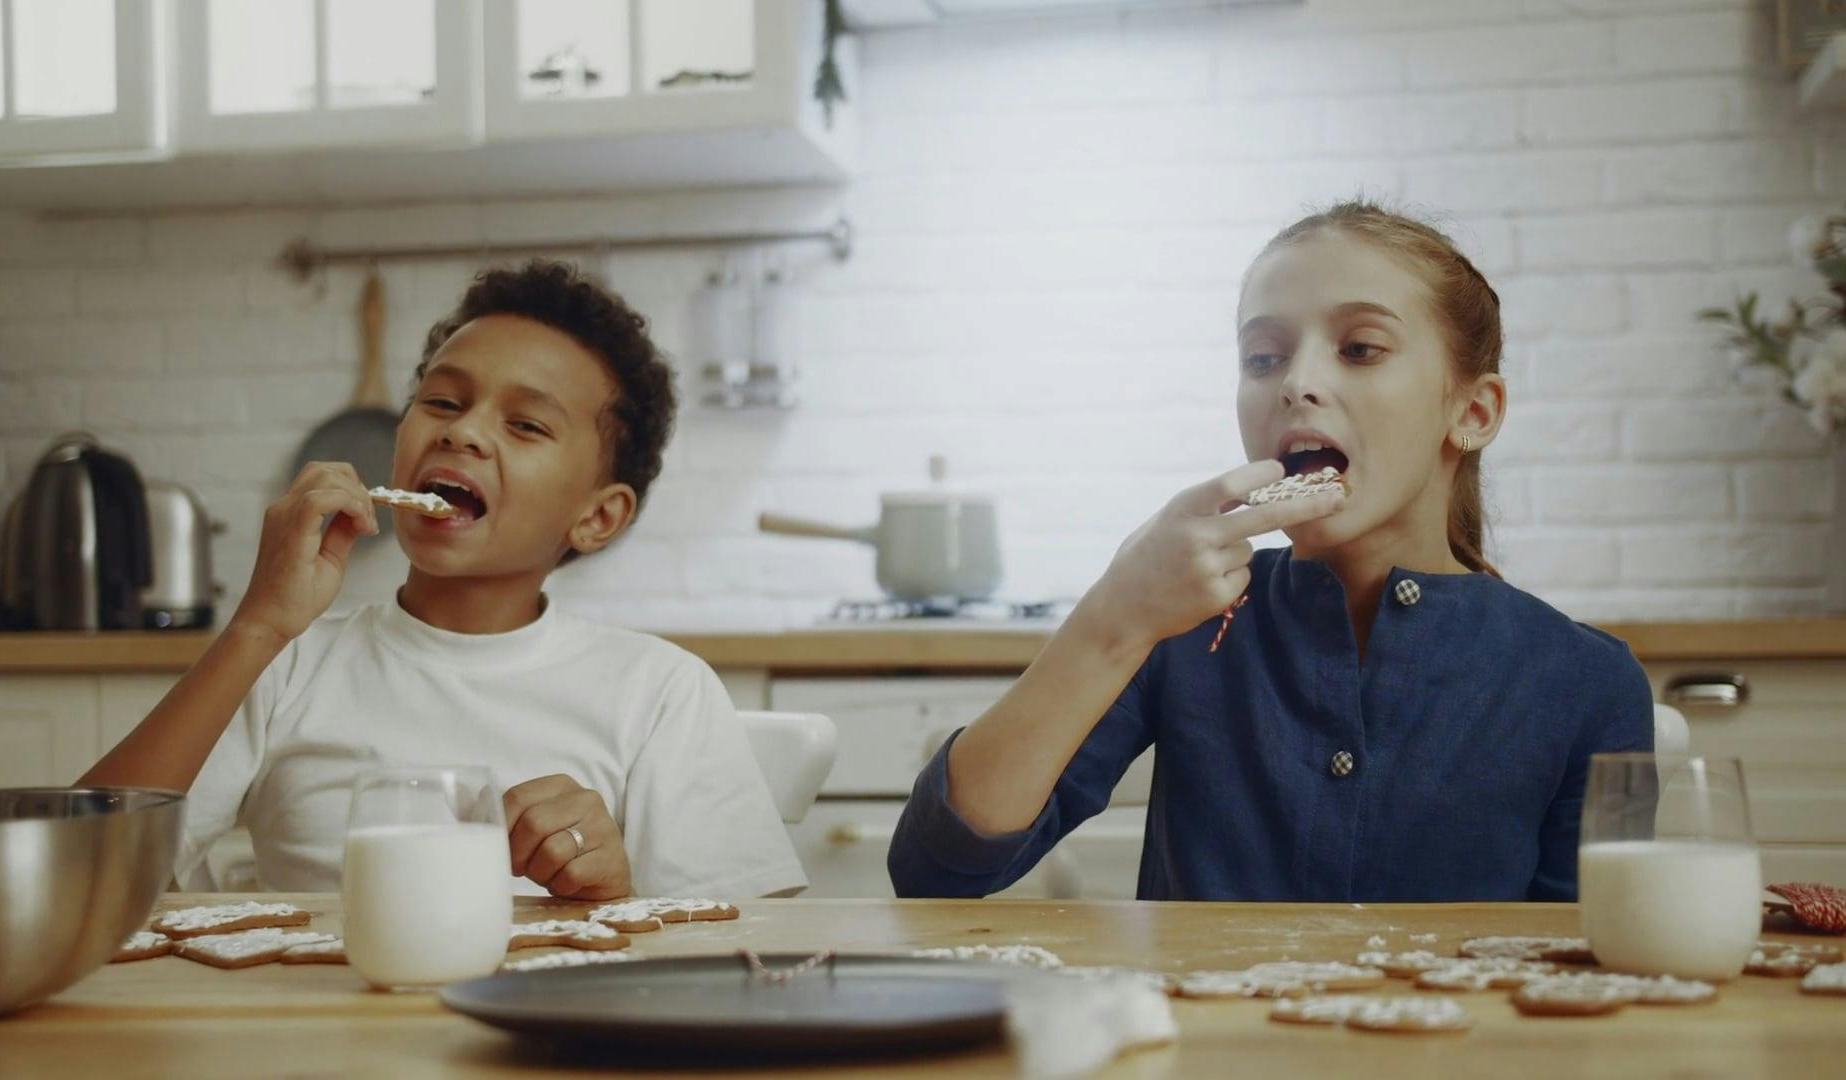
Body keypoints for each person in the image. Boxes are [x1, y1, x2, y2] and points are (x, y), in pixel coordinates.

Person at [888, 201, 1653, 903]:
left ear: (1474, 412)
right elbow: (937, 872)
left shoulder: (1590, 683)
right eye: (1263, 358)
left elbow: (1589, 973)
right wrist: (1113, 618)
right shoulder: (1180, 623)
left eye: (1360, 348)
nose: (1297, 384)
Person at [83, 260, 805, 900]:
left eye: (525, 426)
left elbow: (746, 950)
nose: (463, 433)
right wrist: (259, 626)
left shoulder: (658, 692)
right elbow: (84, 872)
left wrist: (619, 892)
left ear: (596, 517)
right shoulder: (285, 663)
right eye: (443, 402)